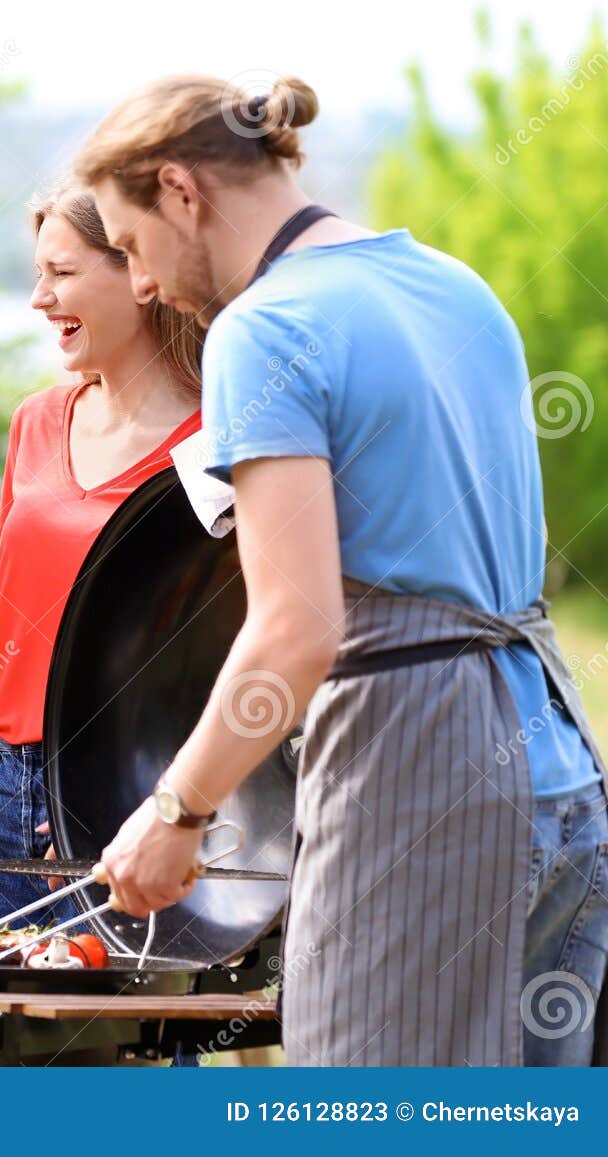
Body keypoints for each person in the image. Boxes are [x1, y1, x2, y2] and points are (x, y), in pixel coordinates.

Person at [77, 74, 607, 1066]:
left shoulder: (263, 329)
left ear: (180, 190)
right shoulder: (456, 287)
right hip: (558, 769)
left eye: (132, 244)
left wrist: (176, 810)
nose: (140, 283)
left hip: (421, 782)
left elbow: (295, 628)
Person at [0, 185, 205, 927]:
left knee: (111, 1004)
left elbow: (209, 667)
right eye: (37, 273)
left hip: (125, 790)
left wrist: (147, 798)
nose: (39, 298)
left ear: (140, 272)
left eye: (62, 273)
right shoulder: (39, 421)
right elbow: (24, 653)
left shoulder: (216, 447)